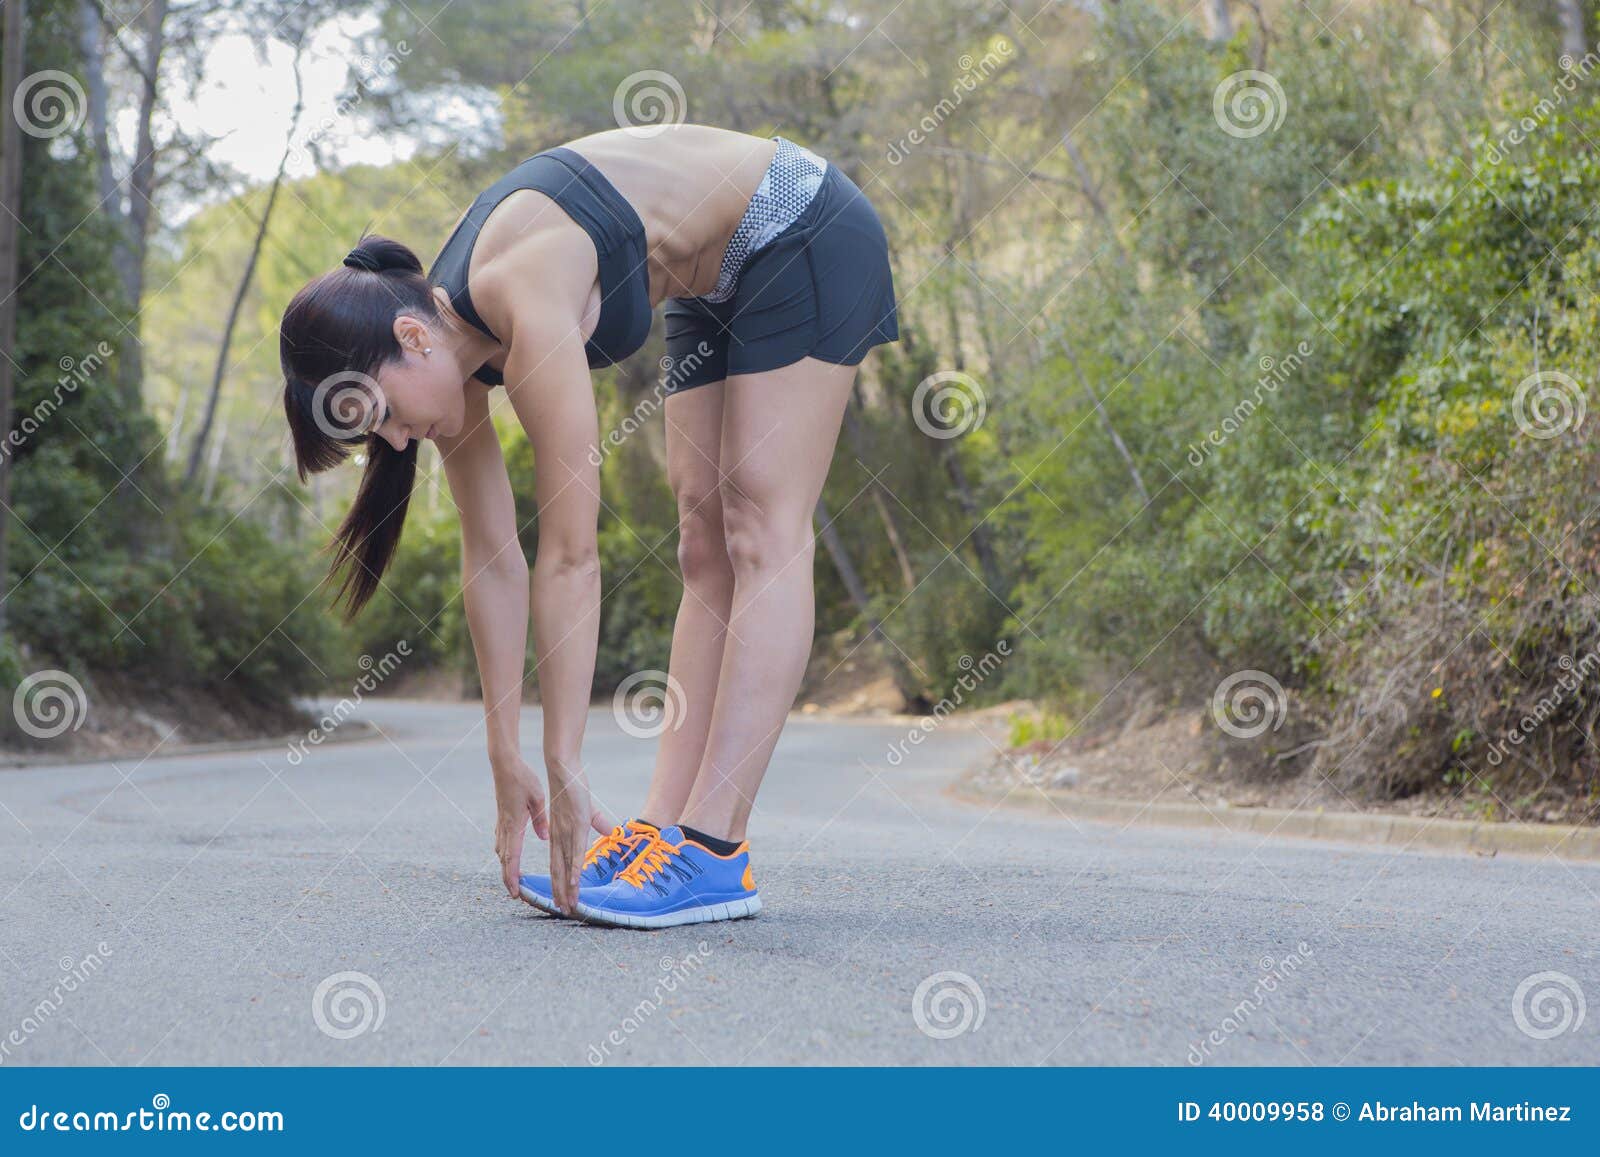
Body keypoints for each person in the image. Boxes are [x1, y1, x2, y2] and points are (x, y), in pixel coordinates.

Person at [276, 123, 899, 928]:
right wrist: (506, 754)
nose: (396, 443)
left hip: (801, 223)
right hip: (717, 278)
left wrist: (563, 760)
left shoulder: (521, 292)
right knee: (702, 540)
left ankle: (714, 850)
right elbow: (494, 559)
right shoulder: (454, 354)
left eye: (386, 415)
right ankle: (662, 832)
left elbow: (570, 554)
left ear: (410, 337)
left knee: (758, 524)